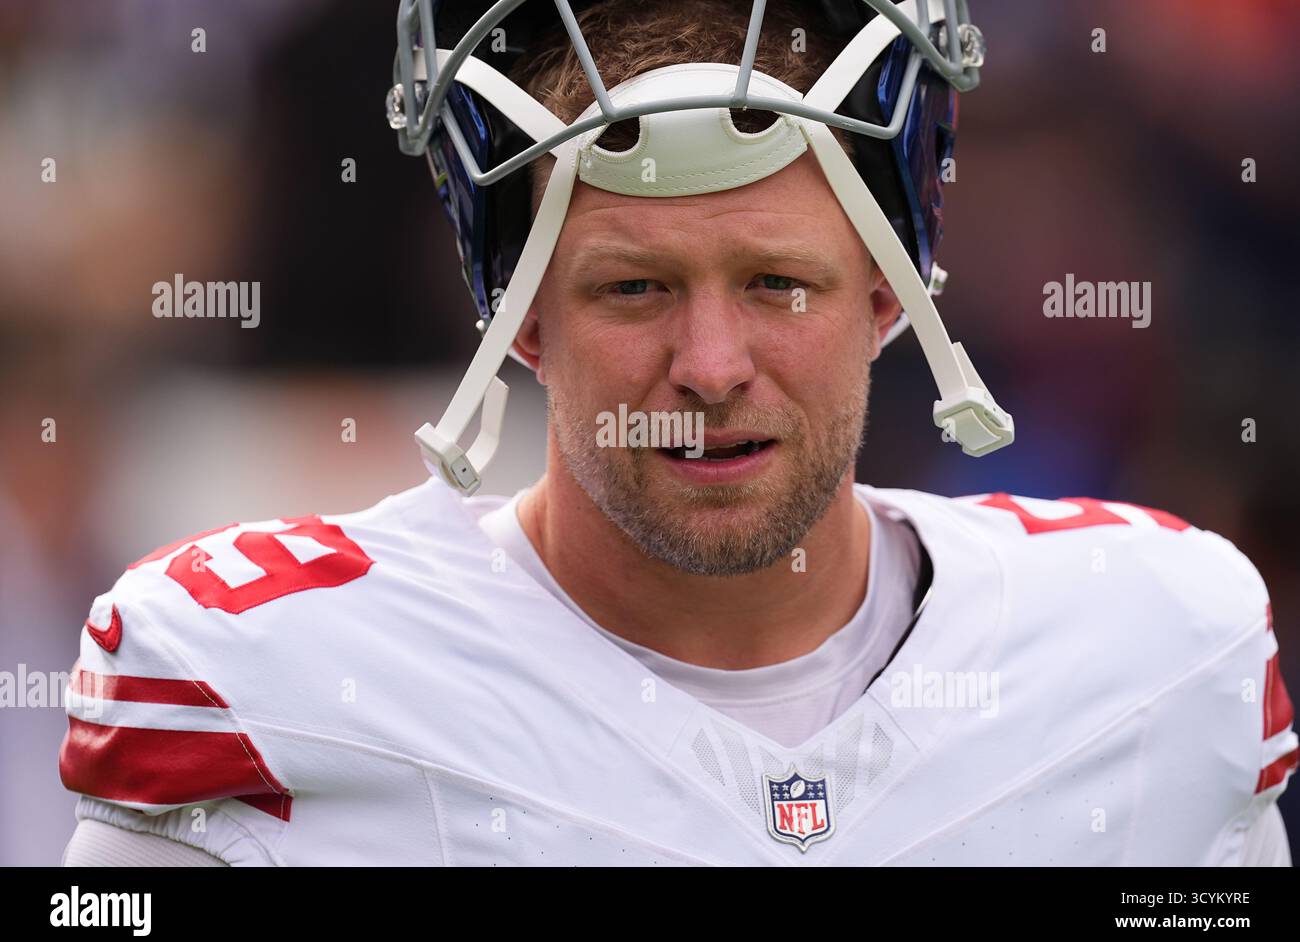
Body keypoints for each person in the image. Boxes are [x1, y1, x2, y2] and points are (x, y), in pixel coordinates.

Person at [60, 0, 1293, 865]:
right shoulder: (256, 685)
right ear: (521, 319)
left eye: (777, 283)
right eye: (634, 288)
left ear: (887, 293)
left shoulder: (1153, 655)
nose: (709, 367)